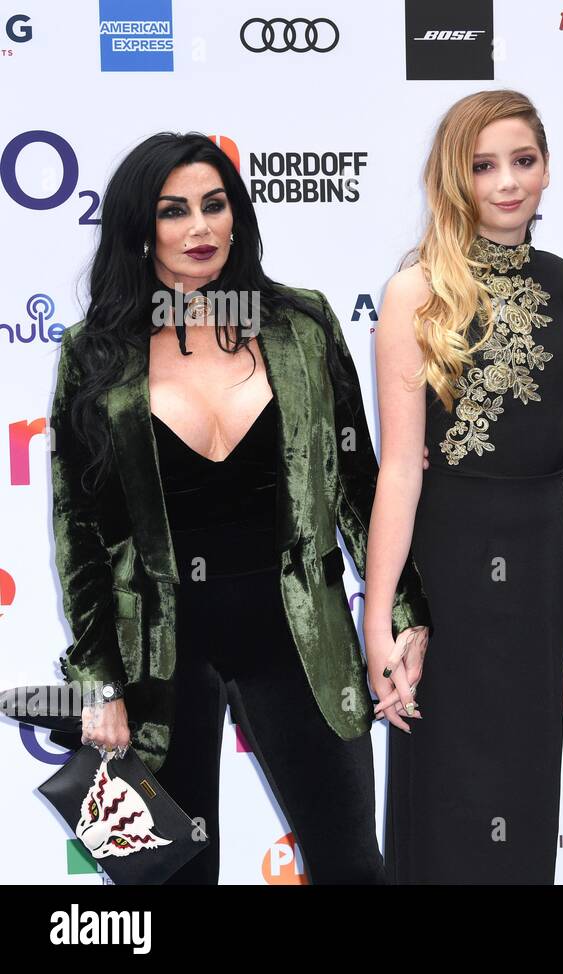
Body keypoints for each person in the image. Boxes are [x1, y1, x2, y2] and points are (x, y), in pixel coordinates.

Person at [52, 132, 430, 884]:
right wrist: (97, 680)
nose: (200, 228)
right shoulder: (95, 352)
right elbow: (81, 531)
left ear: (237, 215)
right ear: (138, 228)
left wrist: (401, 610)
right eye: (173, 211)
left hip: (300, 638)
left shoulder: (303, 324)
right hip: (159, 654)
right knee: (170, 878)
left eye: (214, 205)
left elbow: (356, 479)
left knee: (355, 868)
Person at [365, 90, 563, 884]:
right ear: (452, 178)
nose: (506, 183)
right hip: (448, 566)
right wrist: (382, 618)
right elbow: (398, 468)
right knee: (445, 790)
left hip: (544, 563)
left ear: (547, 168)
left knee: (526, 788)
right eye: (483, 165)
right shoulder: (415, 291)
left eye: (523, 161)